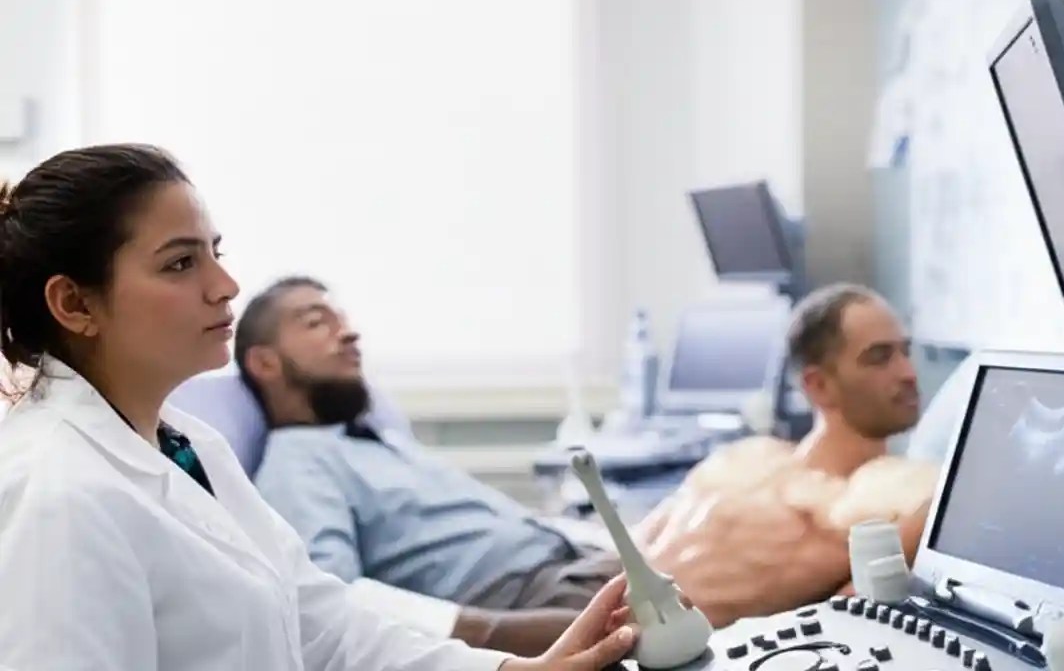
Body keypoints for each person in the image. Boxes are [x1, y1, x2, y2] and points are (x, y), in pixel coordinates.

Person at [0, 144, 637, 671]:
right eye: (180, 263)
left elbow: (323, 625)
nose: (225, 286)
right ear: (75, 305)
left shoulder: (188, 448)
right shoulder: (58, 495)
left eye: (215, 253)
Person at [237, 278, 624, 622]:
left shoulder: (373, 441)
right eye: (317, 322)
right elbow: (332, 603)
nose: (349, 333)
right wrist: (489, 635)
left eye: (344, 319)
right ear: (265, 362)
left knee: (679, 517)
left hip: (573, 564)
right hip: (535, 599)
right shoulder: (297, 463)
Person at [635, 283, 940, 626]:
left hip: (659, 642)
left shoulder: (908, 493)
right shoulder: (746, 456)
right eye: (880, 358)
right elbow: (634, 546)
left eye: (905, 352)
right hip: (599, 598)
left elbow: (847, 620)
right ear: (818, 385)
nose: (908, 374)